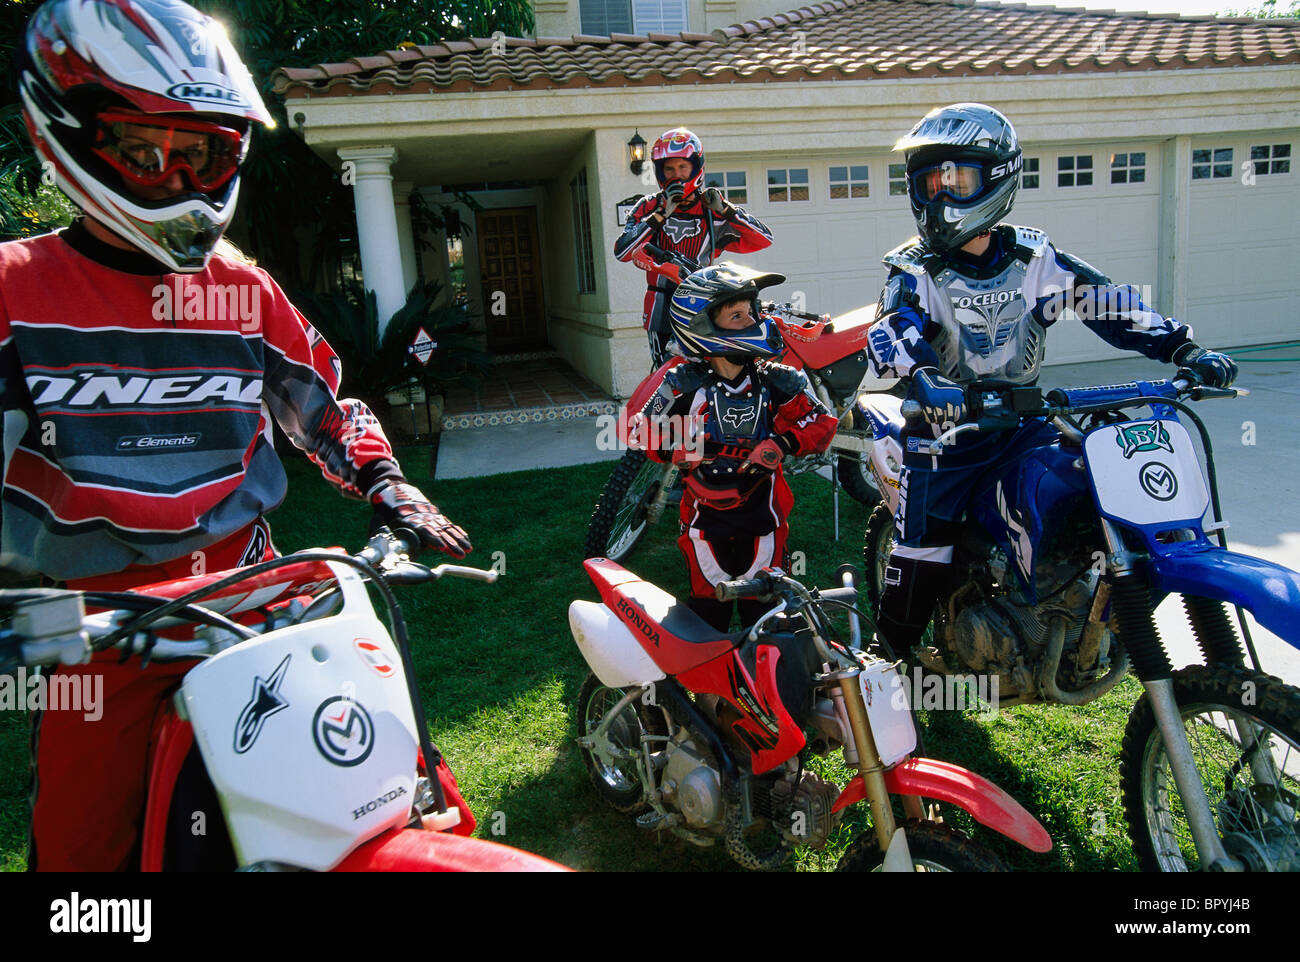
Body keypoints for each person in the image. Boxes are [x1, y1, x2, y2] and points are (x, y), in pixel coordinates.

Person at [4, 0, 473, 870]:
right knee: (81, 859)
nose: (182, 175)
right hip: (90, 625)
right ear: (67, 131)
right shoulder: (14, 290)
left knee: (391, 789)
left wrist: (388, 483)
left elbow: (325, 407)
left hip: (256, 593)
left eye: (208, 153)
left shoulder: (240, 288)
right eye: (146, 150)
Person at [867, 102, 1239, 657]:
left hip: (1027, 423)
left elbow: (1109, 303)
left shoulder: (1035, 257)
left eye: (957, 181)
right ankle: (888, 657)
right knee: (925, 545)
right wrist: (924, 377)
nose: (942, 196)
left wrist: (1183, 347)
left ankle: (1071, 609)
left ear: (998, 178)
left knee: (1091, 492)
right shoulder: (914, 269)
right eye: (930, 183)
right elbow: (890, 330)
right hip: (945, 434)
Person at [632, 264, 837, 631]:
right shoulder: (681, 384)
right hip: (703, 523)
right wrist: (679, 448)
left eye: (751, 312)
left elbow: (822, 422)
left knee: (769, 617)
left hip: (765, 519)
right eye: (737, 315)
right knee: (707, 616)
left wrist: (782, 442)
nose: (753, 321)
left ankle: (763, 664)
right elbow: (640, 430)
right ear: (702, 325)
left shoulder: (778, 380)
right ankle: (713, 668)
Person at [614, 128, 774, 368]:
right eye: (669, 169)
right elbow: (622, 252)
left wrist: (728, 210)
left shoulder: (712, 208)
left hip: (704, 304)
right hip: (661, 306)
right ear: (660, 171)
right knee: (667, 372)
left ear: (696, 167)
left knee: (715, 370)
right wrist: (661, 214)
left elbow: (763, 239)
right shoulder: (648, 206)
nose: (676, 175)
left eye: (683, 167)